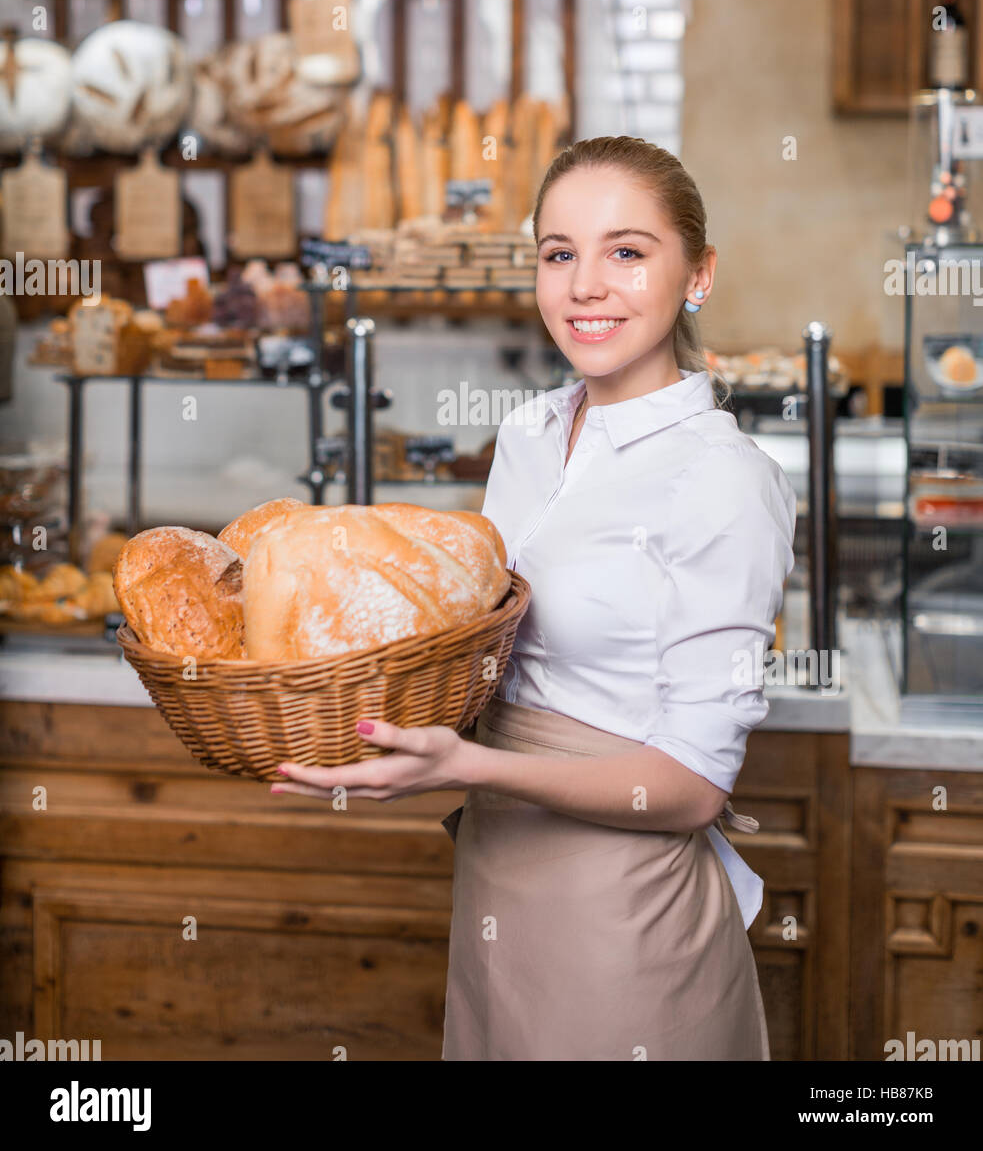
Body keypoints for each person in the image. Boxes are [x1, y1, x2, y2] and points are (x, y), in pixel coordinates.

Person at [272, 135, 797, 1062]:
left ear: (698, 274)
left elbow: (687, 789)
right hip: (495, 883)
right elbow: (492, 650)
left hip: (623, 922)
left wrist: (464, 769)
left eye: (626, 252)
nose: (586, 285)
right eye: (560, 254)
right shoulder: (523, 435)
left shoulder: (721, 480)